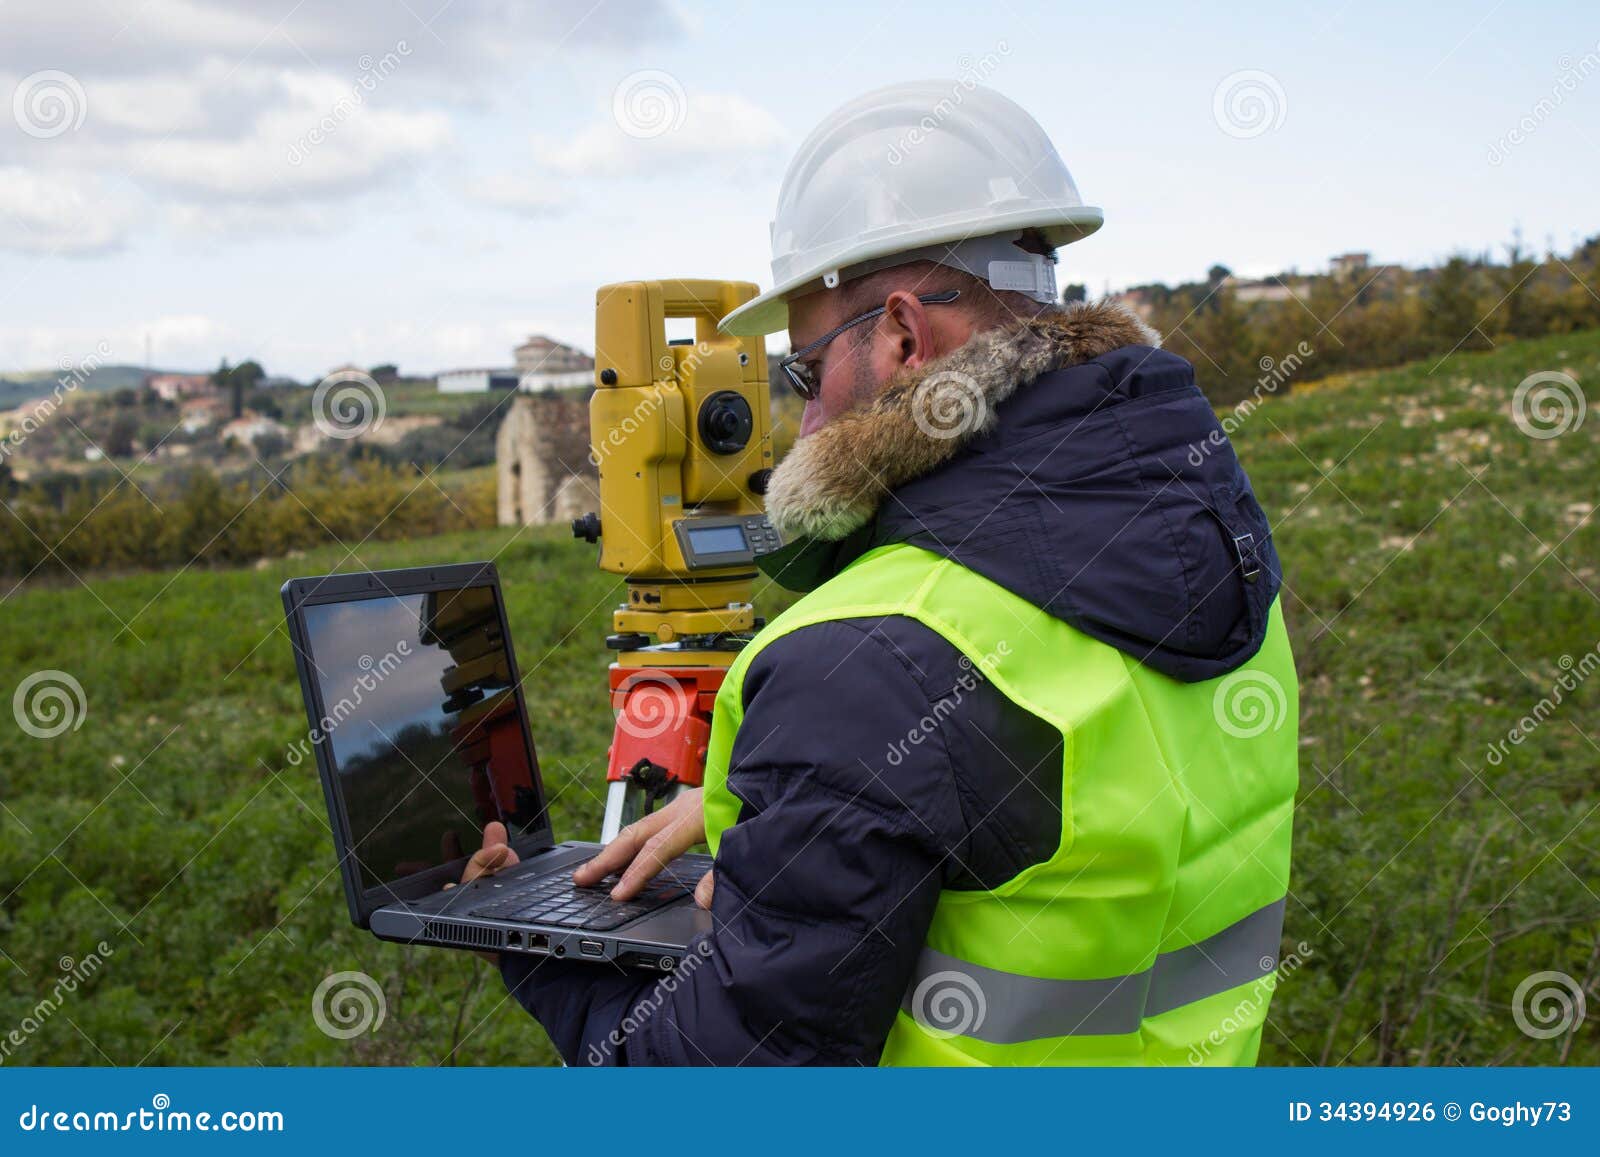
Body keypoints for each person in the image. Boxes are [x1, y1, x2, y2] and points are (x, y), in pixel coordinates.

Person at [462, 80, 1299, 1066]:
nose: (804, 420)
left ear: (903, 333)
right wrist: (784, 807)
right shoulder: (1214, 547)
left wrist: (536, 944)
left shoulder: (867, 656)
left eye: (806, 373)